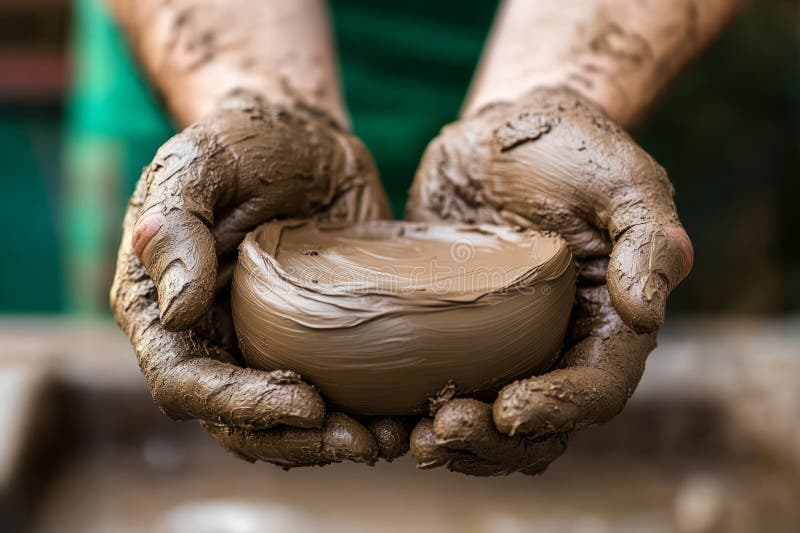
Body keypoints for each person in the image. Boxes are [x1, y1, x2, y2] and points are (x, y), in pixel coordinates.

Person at [106, 0, 743, 475]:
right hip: (221, 61)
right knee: (178, 322)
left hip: (599, 73)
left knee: (633, 371)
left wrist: (560, 95)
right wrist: (262, 100)